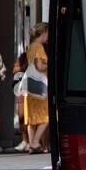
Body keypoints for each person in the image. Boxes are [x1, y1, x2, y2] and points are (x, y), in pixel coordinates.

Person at [24, 24, 50, 153]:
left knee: (32, 117)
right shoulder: (39, 47)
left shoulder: (31, 47)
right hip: (40, 85)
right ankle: (35, 142)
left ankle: (31, 144)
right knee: (46, 116)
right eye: (47, 33)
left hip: (30, 84)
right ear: (43, 33)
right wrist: (50, 65)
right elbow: (40, 66)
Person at [12, 50, 30, 152]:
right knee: (21, 116)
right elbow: (14, 70)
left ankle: (29, 141)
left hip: (30, 91)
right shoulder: (23, 56)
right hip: (21, 91)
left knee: (28, 118)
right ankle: (25, 140)